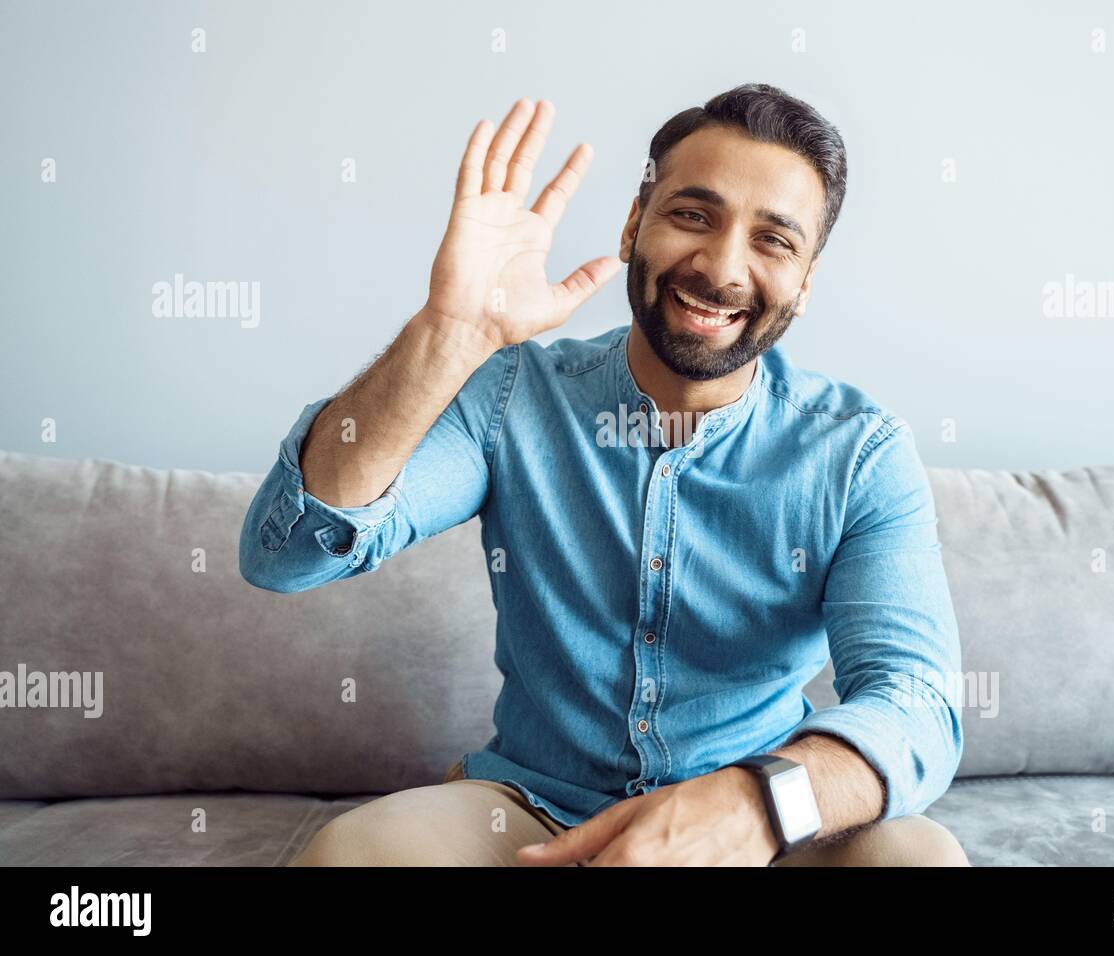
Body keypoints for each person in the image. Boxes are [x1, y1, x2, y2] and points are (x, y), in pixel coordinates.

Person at [242, 84, 970, 867]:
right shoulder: (510, 395)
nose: (722, 266)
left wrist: (757, 803)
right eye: (693, 215)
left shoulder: (860, 453)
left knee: (916, 858)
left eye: (773, 240)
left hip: (757, 829)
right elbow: (287, 556)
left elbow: (917, 705)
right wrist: (447, 335)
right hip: (531, 812)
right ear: (634, 225)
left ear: (805, 279)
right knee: (353, 855)